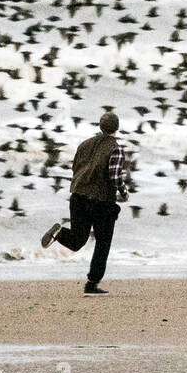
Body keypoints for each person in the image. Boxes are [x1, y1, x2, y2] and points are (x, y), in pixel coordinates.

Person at [40, 111, 132, 294]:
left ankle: (59, 232)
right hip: (101, 201)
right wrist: (123, 192)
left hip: (78, 196)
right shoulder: (116, 148)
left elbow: (76, 168)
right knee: (103, 242)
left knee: (77, 240)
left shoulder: (84, 144)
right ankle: (92, 284)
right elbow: (114, 176)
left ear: (100, 126)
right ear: (117, 127)